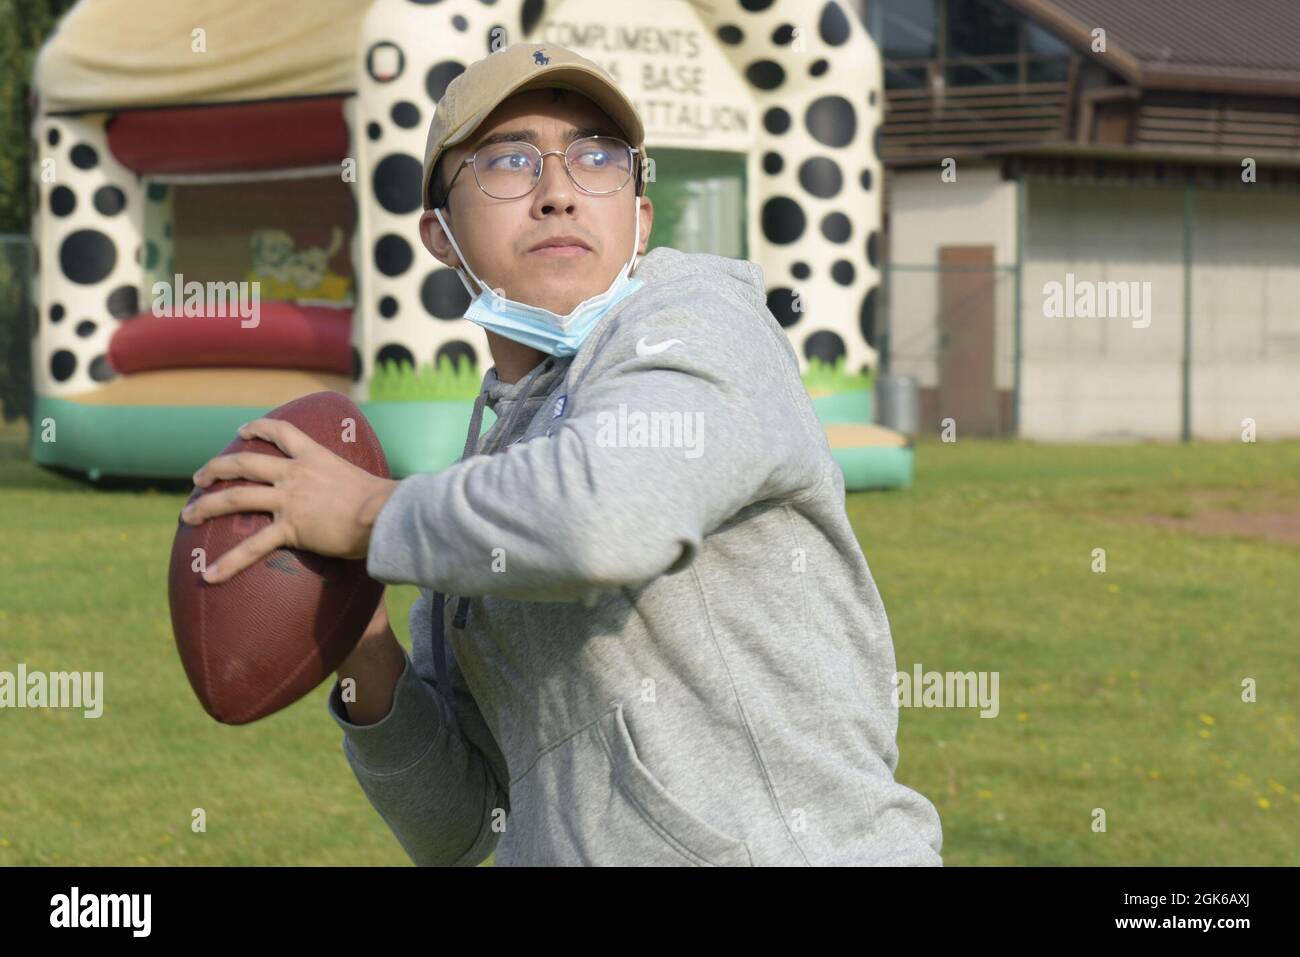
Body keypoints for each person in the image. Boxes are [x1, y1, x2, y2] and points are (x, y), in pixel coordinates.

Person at [183, 41, 943, 866]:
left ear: (641, 217)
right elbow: (463, 826)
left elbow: (606, 514)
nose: (558, 194)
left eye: (597, 159)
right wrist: (360, 635)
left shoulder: (699, 321)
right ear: (440, 235)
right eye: (508, 162)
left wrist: (367, 513)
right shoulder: (485, 488)